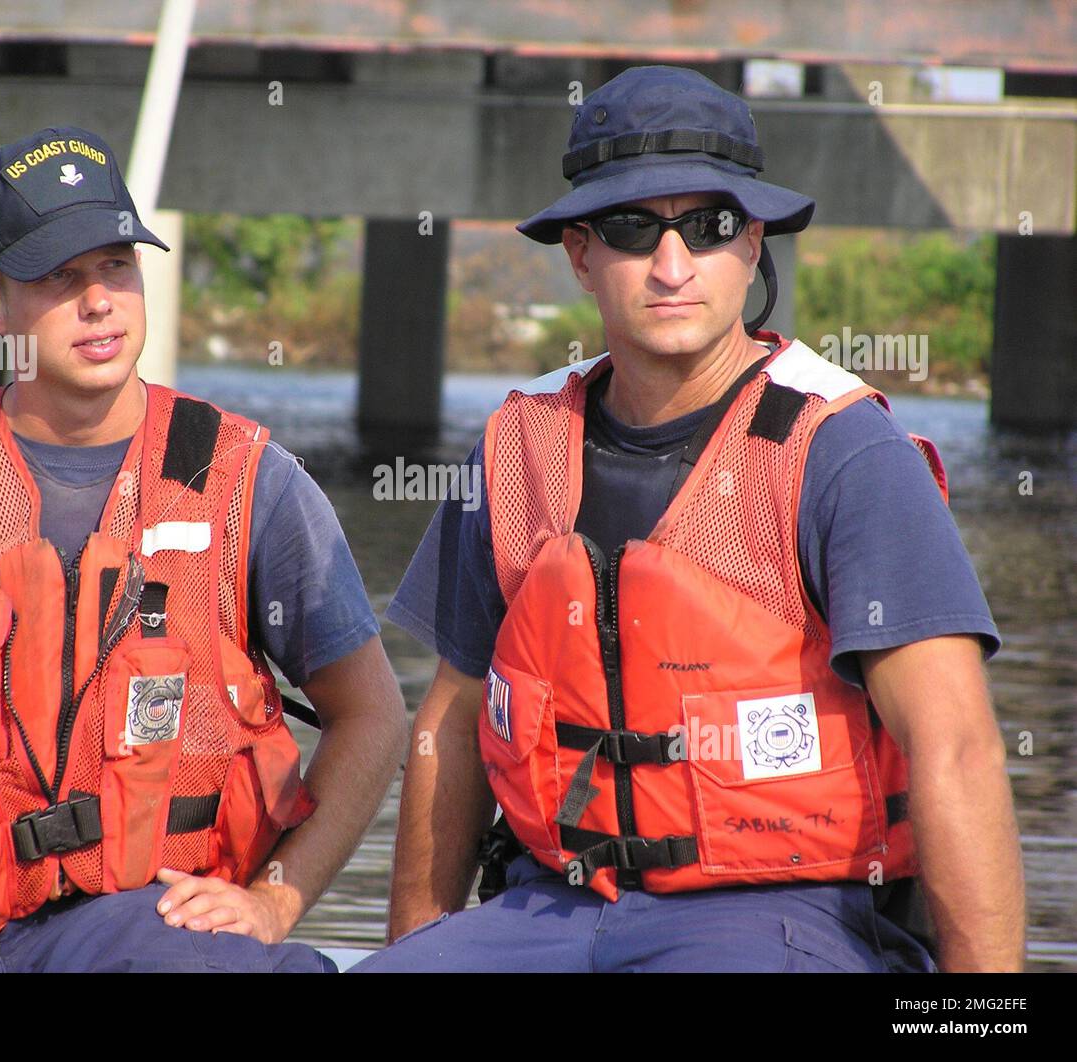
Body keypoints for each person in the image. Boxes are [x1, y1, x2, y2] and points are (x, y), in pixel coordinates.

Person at [354, 67, 1024, 973]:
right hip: (549, 907)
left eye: (707, 228)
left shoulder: (844, 454)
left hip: (786, 915)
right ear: (581, 254)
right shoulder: (516, 450)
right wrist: (417, 947)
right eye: (634, 230)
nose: (673, 267)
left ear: (751, 244)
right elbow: (453, 719)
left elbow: (957, 749)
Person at [0, 125, 407, 973]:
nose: (99, 300)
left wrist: (275, 900)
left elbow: (373, 715)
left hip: (152, 936)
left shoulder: (248, 478)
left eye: (116, 266)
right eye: (58, 278)